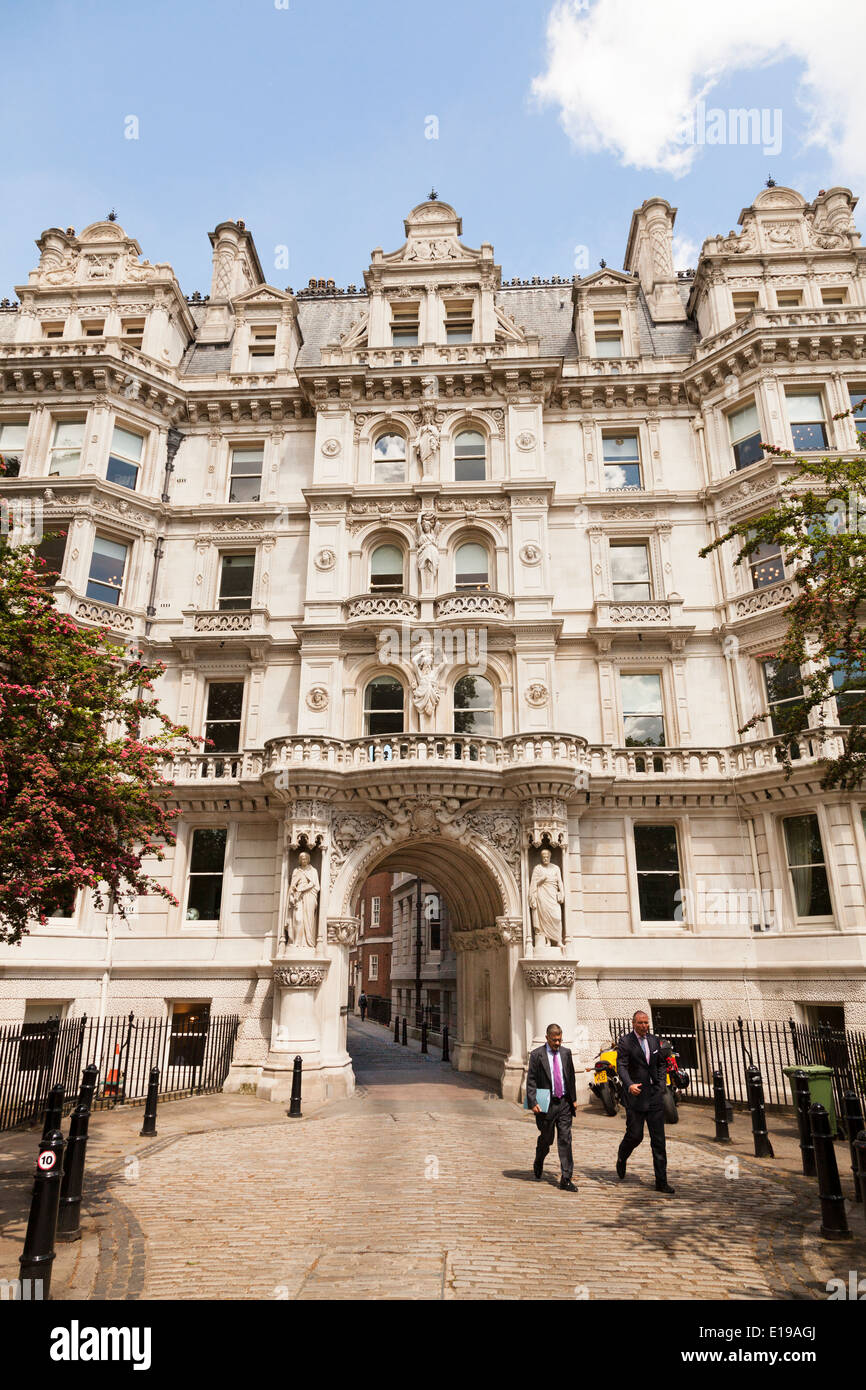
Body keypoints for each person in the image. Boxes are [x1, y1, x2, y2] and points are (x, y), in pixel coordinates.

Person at [615, 1010, 675, 1195]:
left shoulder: (654, 1041)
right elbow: (621, 1066)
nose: (644, 1026)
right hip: (636, 1096)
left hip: (654, 1096)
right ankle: (622, 1156)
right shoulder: (626, 1042)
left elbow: (661, 1063)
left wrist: (660, 1084)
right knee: (635, 1135)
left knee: (659, 1141)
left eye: (646, 1023)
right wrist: (629, 1084)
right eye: (640, 1023)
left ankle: (661, 1182)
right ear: (633, 1023)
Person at [526, 1023, 578, 1191]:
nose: (557, 1043)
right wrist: (533, 1101)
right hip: (545, 1102)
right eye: (554, 1040)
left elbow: (570, 1077)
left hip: (564, 1103)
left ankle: (566, 1178)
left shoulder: (566, 1053)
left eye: (559, 1040)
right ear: (547, 1038)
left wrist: (573, 1099)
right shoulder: (537, 1055)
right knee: (547, 1139)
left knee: (565, 1139)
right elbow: (531, 1079)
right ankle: (539, 1158)